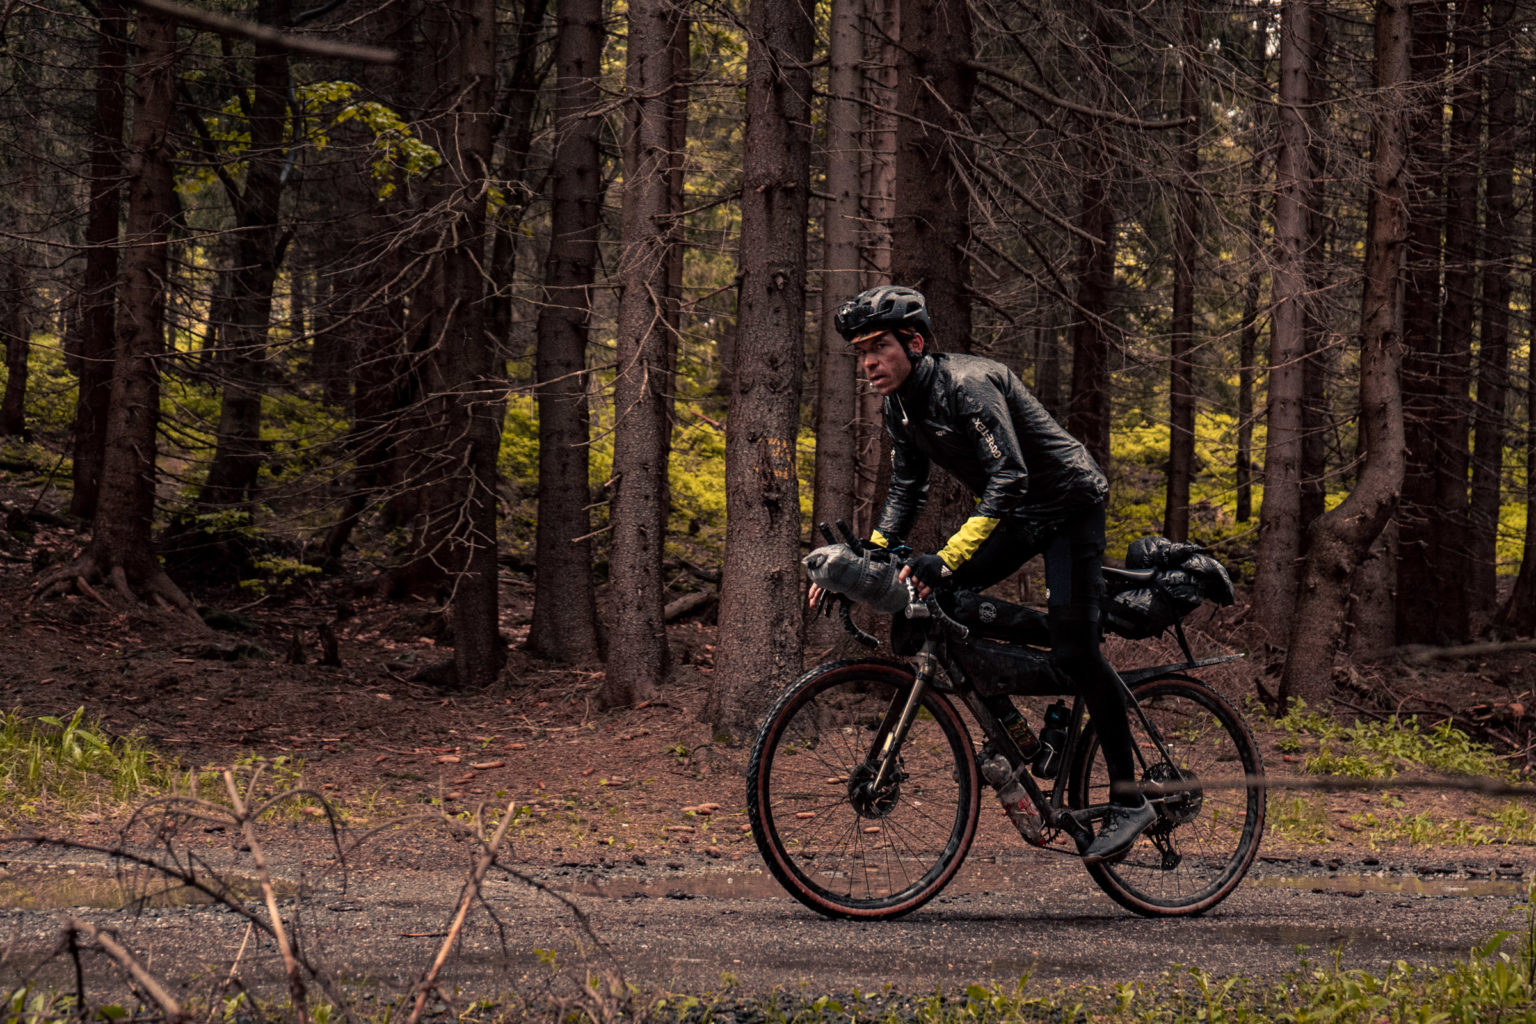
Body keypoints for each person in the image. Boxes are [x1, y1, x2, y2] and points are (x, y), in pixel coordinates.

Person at [811, 284, 1153, 864]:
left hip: (1069, 504)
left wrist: (946, 557)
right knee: (949, 602)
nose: (867, 362)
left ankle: (1129, 800)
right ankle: (1039, 729)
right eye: (860, 352)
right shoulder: (899, 407)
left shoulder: (966, 386)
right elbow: (906, 488)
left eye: (879, 348)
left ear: (914, 344)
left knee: (1071, 649)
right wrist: (865, 560)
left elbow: (1009, 476)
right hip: (1019, 513)